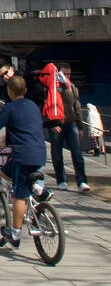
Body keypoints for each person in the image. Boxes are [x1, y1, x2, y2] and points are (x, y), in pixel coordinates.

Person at [0, 74, 47, 248]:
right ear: (25, 90)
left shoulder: (9, 108)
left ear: (9, 91)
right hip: (40, 152)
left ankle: (14, 234)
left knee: (19, 193)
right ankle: (38, 186)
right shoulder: (33, 106)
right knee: (18, 174)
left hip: (22, 155)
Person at [50, 62, 89, 192]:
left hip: (71, 122)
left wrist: (79, 125)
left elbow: (77, 106)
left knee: (77, 153)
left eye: (68, 74)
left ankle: (82, 181)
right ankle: (61, 180)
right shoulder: (52, 87)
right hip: (57, 123)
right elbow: (47, 106)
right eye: (63, 74)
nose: (66, 76)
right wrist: (51, 123)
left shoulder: (72, 87)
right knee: (57, 154)